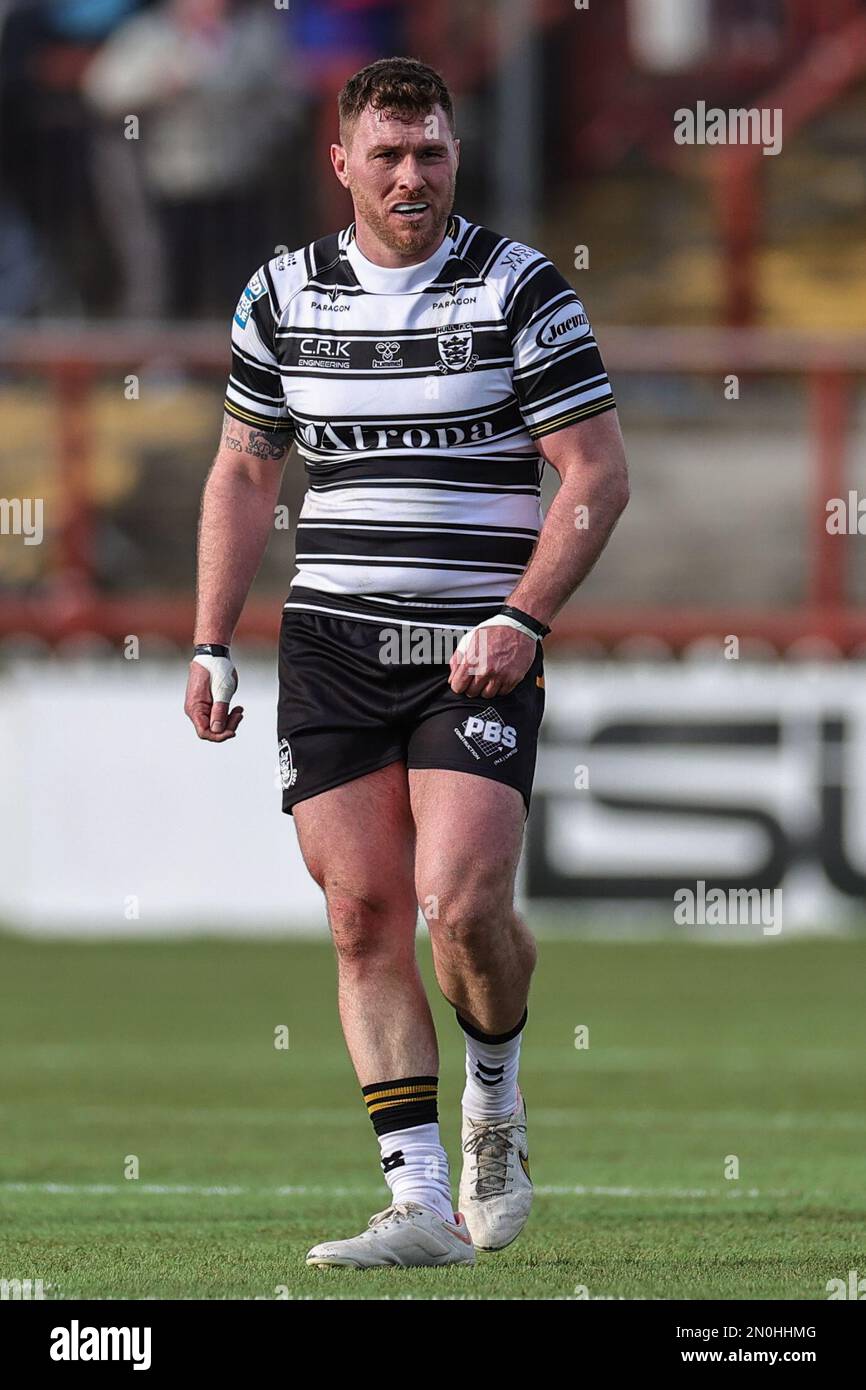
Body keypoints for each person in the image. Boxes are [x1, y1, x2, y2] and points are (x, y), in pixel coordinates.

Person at [184, 56, 629, 1269]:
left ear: (454, 154)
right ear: (341, 162)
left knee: (463, 904)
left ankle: (495, 1095)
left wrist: (524, 616)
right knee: (359, 912)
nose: (410, 175)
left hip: (471, 644)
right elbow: (244, 470)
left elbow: (594, 472)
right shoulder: (280, 294)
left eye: (429, 151)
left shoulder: (518, 288)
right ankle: (419, 1200)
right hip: (331, 641)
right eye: (385, 155)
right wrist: (211, 637)